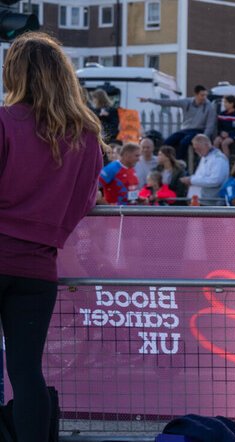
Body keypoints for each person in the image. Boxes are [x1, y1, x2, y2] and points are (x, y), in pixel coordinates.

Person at [0, 32, 104, 442]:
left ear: (15, 73)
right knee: (27, 375)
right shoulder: (86, 134)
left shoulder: (5, 122)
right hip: (38, 267)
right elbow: (82, 202)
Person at [141, 85, 217, 160]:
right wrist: (149, 100)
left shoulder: (209, 107)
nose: (204, 98)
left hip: (198, 130)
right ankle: (163, 160)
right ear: (196, 95)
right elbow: (169, 102)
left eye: (205, 95)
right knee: (168, 141)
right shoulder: (187, 102)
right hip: (185, 130)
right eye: (202, 95)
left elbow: (210, 125)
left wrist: (204, 138)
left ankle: (179, 162)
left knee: (184, 142)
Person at [180, 134, 230, 203]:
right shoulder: (205, 156)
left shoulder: (219, 159)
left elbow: (216, 180)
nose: (197, 151)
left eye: (199, 149)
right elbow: (200, 176)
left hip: (210, 202)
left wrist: (191, 180)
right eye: (195, 149)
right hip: (199, 200)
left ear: (207, 145)